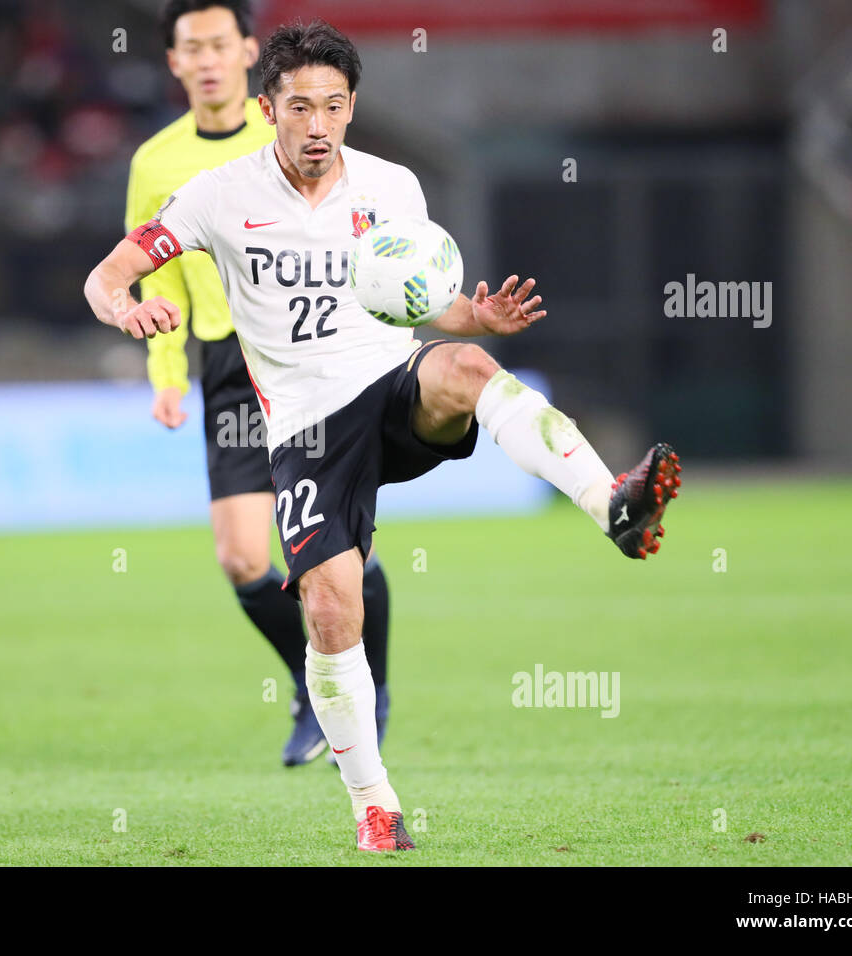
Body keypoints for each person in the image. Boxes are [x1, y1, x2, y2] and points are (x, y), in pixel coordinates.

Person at [85, 20, 681, 851]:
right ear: (270, 109)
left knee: (468, 367)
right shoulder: (217, 196)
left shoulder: (394, 186)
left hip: (390, 385)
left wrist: (469, 316)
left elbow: (418, 302)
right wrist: (130, 307)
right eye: (300, 108)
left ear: (353, 107)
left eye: (334, 106)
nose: (319, 125)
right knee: (332, 608)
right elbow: (106, 275)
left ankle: (611, 502)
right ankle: (375, 804)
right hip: (304, 427)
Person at [126, 1, 394, 766]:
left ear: (249, 52)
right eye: (191, 48)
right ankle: (316, 687)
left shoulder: (295, 128)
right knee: (244, 558)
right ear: (173, 62)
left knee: (340, 555)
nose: (208, 59)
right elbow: (154, 274)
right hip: (226, 367)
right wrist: (165, 371)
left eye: (221, 43)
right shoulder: (155, 162)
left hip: (313, 363)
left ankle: (365, 688)